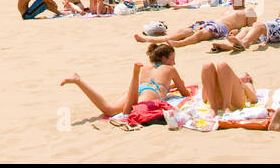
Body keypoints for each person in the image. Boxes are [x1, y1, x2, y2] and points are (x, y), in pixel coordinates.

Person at [60, 42, 189, 116]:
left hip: (137, 89)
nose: (174, 63)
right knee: (131, 113)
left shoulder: (147, 65)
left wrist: (170, 88)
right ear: (165, 59)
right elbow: (185, 93)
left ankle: (78, 80)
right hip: (151, 92)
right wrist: (179, 86)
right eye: (172, 59)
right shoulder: (170, 69)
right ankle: (134, 73)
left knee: (109, 110)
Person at [134, 1, 257, 47]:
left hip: (222, 28)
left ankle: (181, 43)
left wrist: (236, 32)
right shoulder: (229, 8)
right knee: (184, 31)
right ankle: (149, 40)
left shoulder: (248, 11)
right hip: (211, 22)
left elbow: (250, 28)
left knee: (201, 34)